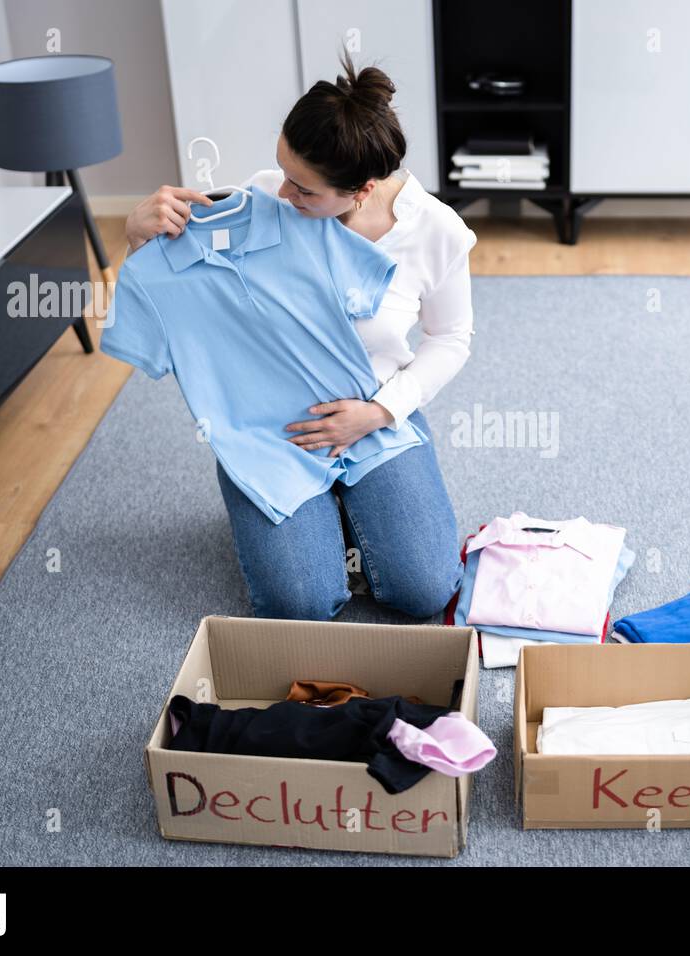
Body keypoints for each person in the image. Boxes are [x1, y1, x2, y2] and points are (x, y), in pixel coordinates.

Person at [122, 55, 475, 622]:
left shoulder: (435, 232)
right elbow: (179, 287)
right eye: (281, 170)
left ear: (361, 190)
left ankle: (347, 506)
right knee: (298, 606)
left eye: (304, 189)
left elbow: (452, 338)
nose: (282, 192)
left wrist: (381, 411)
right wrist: (137, 237)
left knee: (426, 590)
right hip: (271, 427)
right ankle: (293, 507)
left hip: (373, 412)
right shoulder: (265, 201)